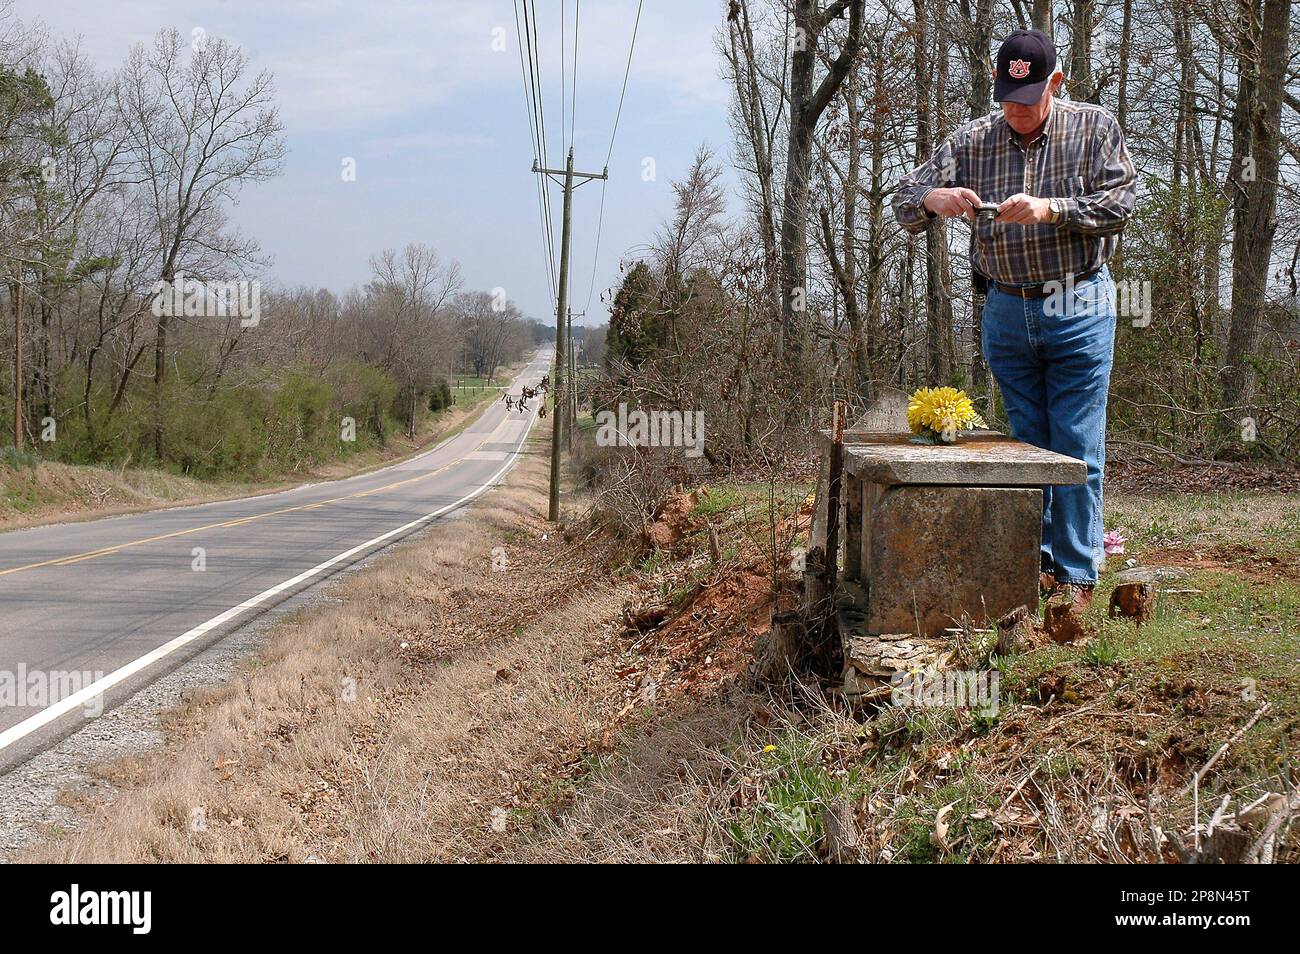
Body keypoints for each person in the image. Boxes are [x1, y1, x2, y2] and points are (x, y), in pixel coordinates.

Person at [892, 27, 1136, 625]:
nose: (1016, 113)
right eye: (1006, 99)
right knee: (1026, 445)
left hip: (1077, 302)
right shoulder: (972, 139)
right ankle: (1036, 563)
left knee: (1075, 443)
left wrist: (1055, 210)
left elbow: (1123, 203)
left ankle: (1075, 576)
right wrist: (934, 200)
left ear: (1056, 83)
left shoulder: (1095, 128)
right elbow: (902, 201)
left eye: (1028, 101)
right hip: (1005, 306)